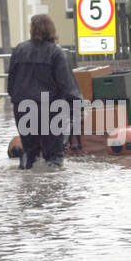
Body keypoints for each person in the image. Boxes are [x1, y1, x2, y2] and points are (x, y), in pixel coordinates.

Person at [7, 14, 83, 168]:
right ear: (52, 30)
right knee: (54, 157)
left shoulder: (19, 51)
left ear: (32, 29)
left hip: (22, 109)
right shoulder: (57, 53)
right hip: (50, 111)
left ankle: (27, 185)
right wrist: (79, 106)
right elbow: (68, 86)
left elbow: (10, 86)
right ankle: (52, 189)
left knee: (30, 153)